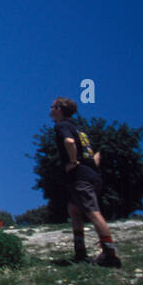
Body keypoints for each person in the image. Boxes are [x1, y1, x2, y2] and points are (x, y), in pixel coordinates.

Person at [49, 97, 121, 267]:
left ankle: (110, 254)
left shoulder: (62, 126)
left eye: (52, 106)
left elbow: (69, 142)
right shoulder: (79, 129)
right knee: (73, 209)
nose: (50, 109)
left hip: (80, 176)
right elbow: (95, 156)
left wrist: (73, 162)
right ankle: (80, 251)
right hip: (92, 174)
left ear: (59, 109)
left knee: (92, 212)